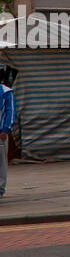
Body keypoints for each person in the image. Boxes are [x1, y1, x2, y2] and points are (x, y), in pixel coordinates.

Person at [0, 66, 15, 200]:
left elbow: (10, 111)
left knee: (1, 162)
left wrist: (5, 129)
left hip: (1, 134)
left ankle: (0, 188)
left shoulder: (6, 91)